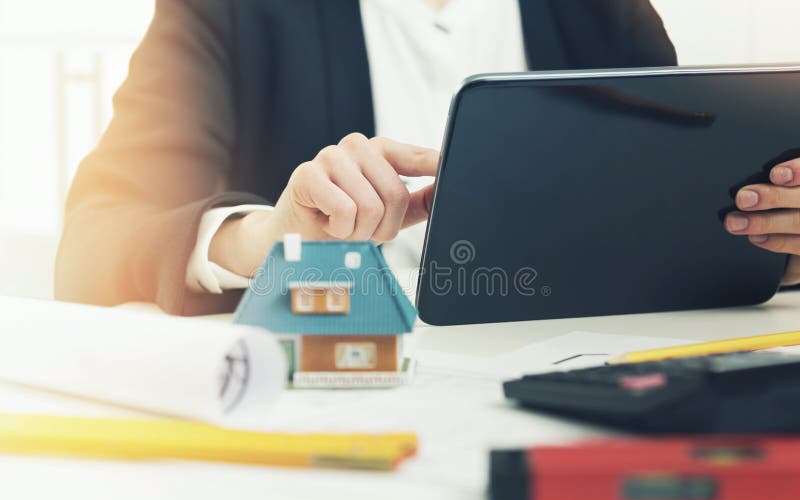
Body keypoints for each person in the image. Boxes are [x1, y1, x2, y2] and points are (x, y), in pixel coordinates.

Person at [54, 0, 800, 316]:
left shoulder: (594, 8)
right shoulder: (228, 11)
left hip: (575, 394)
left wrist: (772, 246)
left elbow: (670, 214)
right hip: (337, 426)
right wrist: (271, 239)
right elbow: (93, 246)